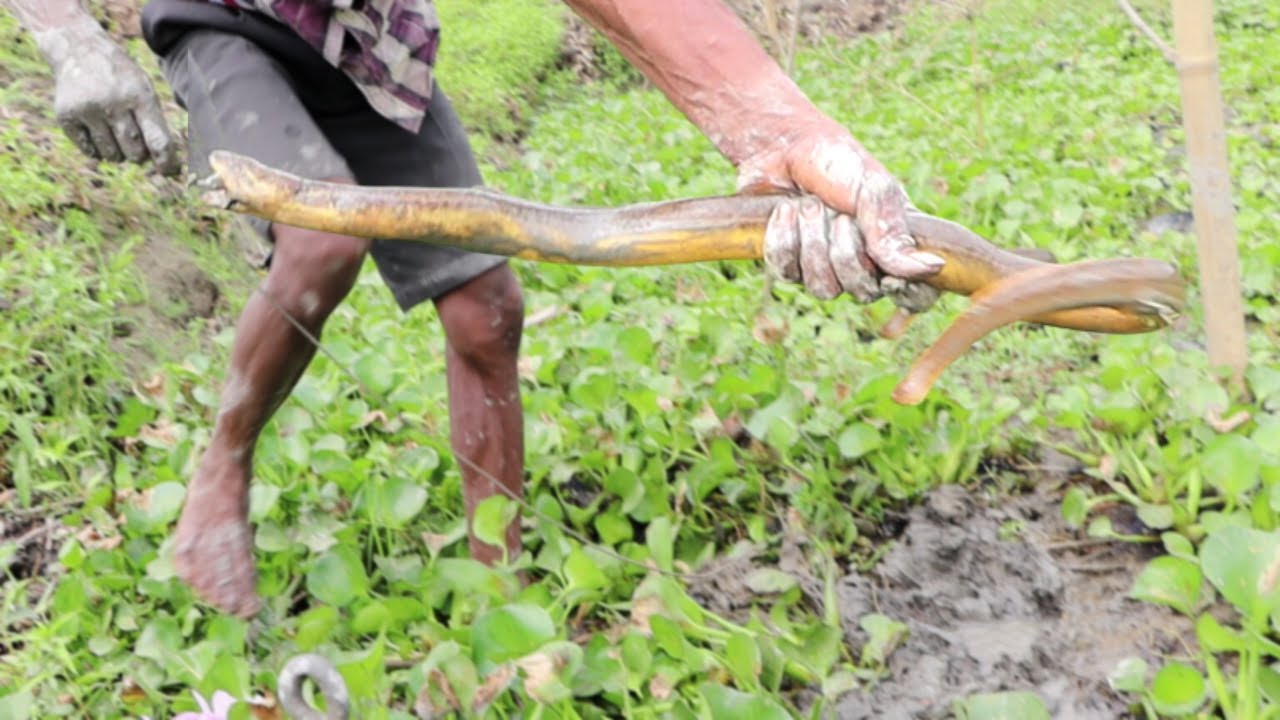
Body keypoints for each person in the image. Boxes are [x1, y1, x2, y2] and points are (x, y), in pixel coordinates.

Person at [4, 0, 941, 619]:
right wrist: (72, 36)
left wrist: (781, 127)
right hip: (227, 17)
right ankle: (223, 463)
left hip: (374, 43)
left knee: (488, 309)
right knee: (323, 236)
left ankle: (501, 593)